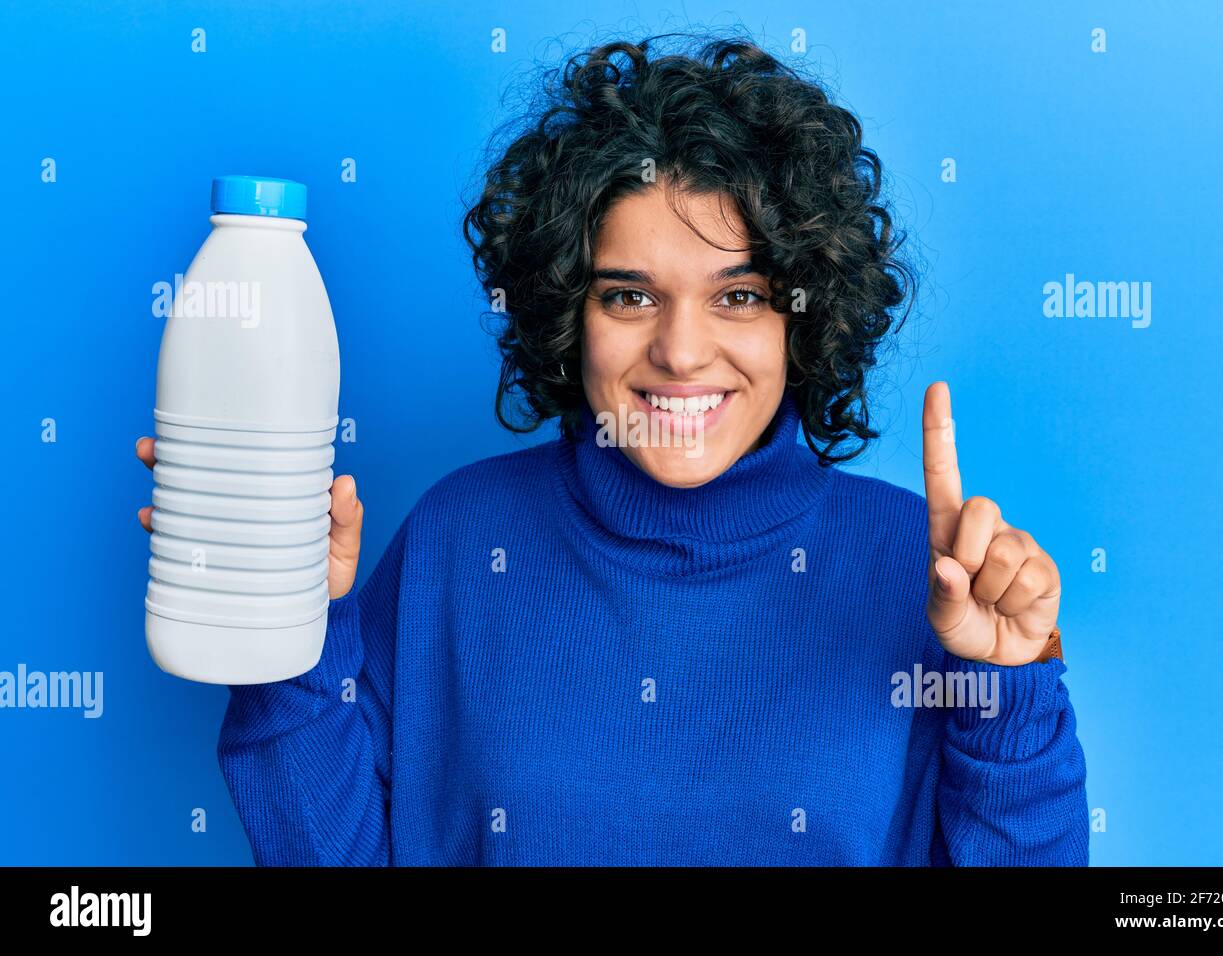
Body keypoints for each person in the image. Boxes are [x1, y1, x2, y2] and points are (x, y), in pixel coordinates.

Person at [135, 34, 1088, 865]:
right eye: (629, 295)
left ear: (806, 317)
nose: (679, 351)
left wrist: (1005, 686)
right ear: (567, 314)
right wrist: (293, 631)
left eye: (739, 296)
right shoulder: (460, 539)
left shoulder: (919, 574)